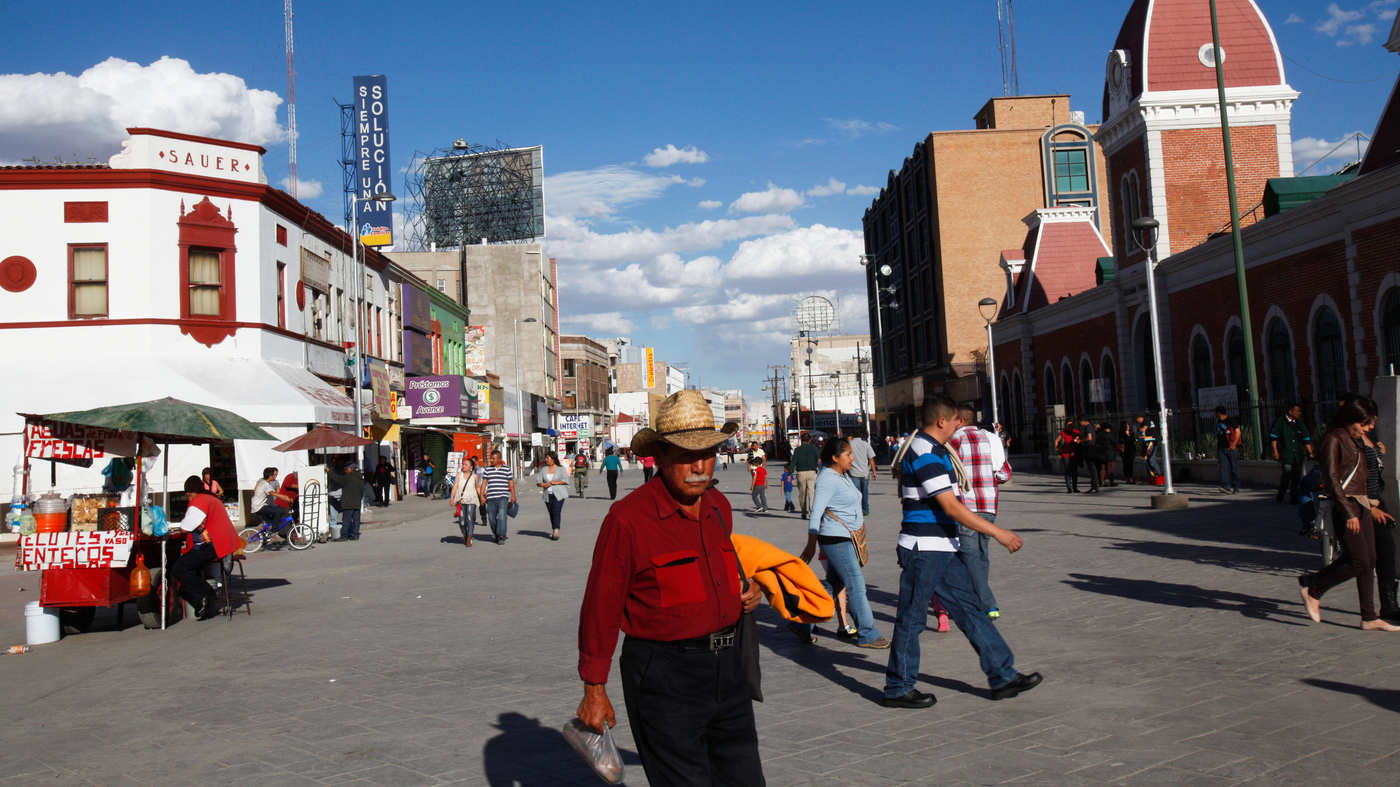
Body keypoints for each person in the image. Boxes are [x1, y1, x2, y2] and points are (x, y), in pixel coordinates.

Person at [576, 390, 764, 787]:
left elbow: (720, 572)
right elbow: (601, 606)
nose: (699, 467)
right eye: (685, 455)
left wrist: (745, 592)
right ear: (659, 456)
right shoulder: (628, 520)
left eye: (709, 453)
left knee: (744, 778)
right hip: (665, 677)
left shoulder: (719, 507)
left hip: (728, 670)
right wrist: (595, 688)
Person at [883, 393, 1041, 709]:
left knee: (970, 609)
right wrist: (999, 533)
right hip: (924, 549)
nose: (960, 424)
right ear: (942, 421)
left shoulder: (935, 450)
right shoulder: (925, 451)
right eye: (957, 419)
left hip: (942, 546)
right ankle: (898, 688)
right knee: (912, 619)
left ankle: (1003, 675)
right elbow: (952, 507)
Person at [1297, 399, 1400, 631]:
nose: (1368, 428)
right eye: (1364, 423)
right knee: (1358, 561)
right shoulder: (1332, 439)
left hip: (1363, 504)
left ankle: (1369, 617)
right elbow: (1332, 479)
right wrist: (1347, 512)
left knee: (1369, 560)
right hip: (1347, 506)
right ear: (1350, 419)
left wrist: (1371, 507)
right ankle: (1313, 591)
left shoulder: (1354, 440)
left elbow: (1363, 476)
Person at [791, 437, 890, 649]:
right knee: (856, 584)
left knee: (833, 584)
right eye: (848, 454)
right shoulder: (827, 478)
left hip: (846, 537)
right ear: (835, 458)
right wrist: (811, 543)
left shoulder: (841, 475)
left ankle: (802, 621)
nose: (852, 458)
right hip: (835, 539)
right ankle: (868, 633)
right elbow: (816, 511)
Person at [946, 406, 1012, 619]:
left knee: (969, 555)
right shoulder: (992, 439)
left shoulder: (954, 441)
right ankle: (979, 599)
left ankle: (987, 602)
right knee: (982, 554)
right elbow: (1004, 474)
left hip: (966, 507)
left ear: (961, 420)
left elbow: (946, 471)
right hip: (989, 505)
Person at [169, 475, 242, 620]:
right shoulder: (211, 498)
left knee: (179, 567)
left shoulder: (199, 502)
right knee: (190, 565)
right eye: (186, 491)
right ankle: (200, 596)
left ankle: (204, 593)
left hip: (212, 545)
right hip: (222, 544)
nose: (187, 494)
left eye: (191, 490)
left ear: (197, 490)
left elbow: (185, 528)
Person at [1359, 410, 1397, 621]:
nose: (1372, 426)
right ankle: (1315, 587)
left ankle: (1389, 605)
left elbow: (1374, 472)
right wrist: (1370, 508)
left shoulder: (1368, 439)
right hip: (1361, 502)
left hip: (1375, 498)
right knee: (1357, 560)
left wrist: (1379, 452)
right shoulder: (1350, 441)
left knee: (1386, 550)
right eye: (1369, 421)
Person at [1270, 403, 1313, 505]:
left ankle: (1294, 497)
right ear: (1290, 412)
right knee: (1287, 474)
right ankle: (1281, 492)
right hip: (1286, 454)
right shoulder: (1280, 422)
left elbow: (1305, 439)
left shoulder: (1299, 424)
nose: (1299, 413)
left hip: (1297, 456)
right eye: (1297, 411)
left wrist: (1310, 453)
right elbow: (1273, 437)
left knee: (1296, 478)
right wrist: (1275, 452)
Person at [478, 451, 516, 545]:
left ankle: (501, 535)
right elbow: (484, 483)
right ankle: (496, 533)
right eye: (490, 458)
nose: (491, 460)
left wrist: (513, 496)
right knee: (491, 518)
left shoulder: (506, 469)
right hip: (491, 497)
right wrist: (482, 496)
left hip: (503, 497)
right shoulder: (488, 470)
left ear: (499, 459)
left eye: (493, 458)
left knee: (502, 516)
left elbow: (511, 483)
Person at [328, 459, 365, 541]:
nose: (345, 471)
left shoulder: (348, 477)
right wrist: (359, 499)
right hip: (357, 502)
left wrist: (329, 471)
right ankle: (355, 535)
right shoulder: (359, 477)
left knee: (346, 520)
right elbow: (362, 491)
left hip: (348, 502)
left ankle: (344, 536)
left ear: (350, 469)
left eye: (346, 469)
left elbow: (337, 479)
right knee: (356, 520)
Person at [451, 456, 483, 547]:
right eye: (463, 464)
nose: (463, 466)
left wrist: (482, 497)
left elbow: (477, 487)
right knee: (461, 521)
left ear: (471, 467)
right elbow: (455, 487)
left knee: (469, 519)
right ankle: (464, 534)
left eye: (466, 465)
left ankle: (469, 538)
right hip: (460, 501)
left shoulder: (474, 476)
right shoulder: (459, 476)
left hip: (471, 500)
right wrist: (452, 498)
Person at [537, 452, 569, 541]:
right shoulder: (544, 469)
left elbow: (566, 480)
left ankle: (556, 530)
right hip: (548, 494)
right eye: (546, 458)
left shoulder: (561, 469)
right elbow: (538, 480)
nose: (546, 460)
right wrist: (542, 485)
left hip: (559, 494)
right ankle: (554, 527)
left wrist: (556, 482)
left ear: (553, 459)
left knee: (556, 511)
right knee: (551, 512)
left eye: (548, 458)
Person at [250, 467, 290, 537]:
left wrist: (284, 497)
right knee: (279, 511)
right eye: (273, 475)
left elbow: (277, 492)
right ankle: (274, 533)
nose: (275, 477)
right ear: (270, 476)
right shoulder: (265, 484)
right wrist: (285, 497)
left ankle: (265, 526)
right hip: (259, 506)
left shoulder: (264, 483)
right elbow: (273, 493)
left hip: (260, 505)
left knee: (273, 517)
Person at [846, 430, 878, 516]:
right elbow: (871, 459)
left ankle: (858, 509)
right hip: (864, 472)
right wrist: (874, 472)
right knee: (865, 491)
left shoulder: (849, 445)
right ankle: (866, 509)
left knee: (856, 493)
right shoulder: (866, 444)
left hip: (854, 472)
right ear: (861, 435)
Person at [1213, 405, 1242, 494]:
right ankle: (1225, 486)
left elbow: (1238, 432)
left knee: (1234, 467)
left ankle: (1236, 486)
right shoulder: (1219, 421)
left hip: (1230, 448)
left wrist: (1233, 444)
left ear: (1219, 413)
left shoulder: (1230, 421)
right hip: (1221, 448)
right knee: (1223, 467)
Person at [790, 433, 820, 518]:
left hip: (801, 473)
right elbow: (818, 459)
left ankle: (803, 512)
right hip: (812, 472)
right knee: (812, 493)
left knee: (802, 494)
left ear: (801, 440)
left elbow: (793, 462)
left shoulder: (798, 450)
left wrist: (789, 473)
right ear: (810, 440)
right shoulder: (814, 448)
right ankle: (811, 513)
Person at [1055, 419, 1083, 493]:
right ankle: (1069, 487)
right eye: (1069, 425)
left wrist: (1074, 451)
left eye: (1072, 425)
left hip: (1074, 454)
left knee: (1074, 471)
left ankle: (1075, 487)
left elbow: (1079, 443)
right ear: (1066, 425)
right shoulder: (1063, 433)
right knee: (1067, 471)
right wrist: (1058, 452)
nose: (1070, 426)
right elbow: (1056, 441)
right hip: (1065, 454)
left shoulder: (1076, 432)